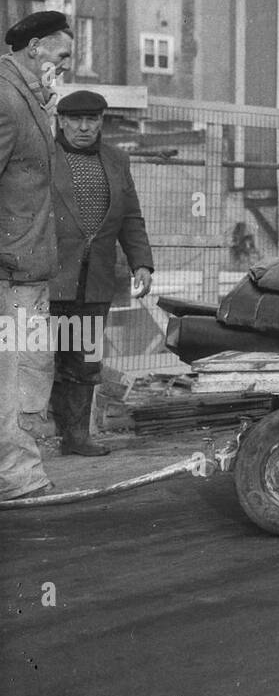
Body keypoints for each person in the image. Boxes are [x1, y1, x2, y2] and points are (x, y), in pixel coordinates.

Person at [48, 91, 154, 456]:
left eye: (91, 120)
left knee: (85, 359)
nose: (83, 127)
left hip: (96, 282)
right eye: (75, 120)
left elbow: (130, 217)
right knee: (38, 356)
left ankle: (75, 438)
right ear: (60, 121)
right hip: (46, 280)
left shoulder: (116, 160)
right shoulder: (42, 156)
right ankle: (28, 441)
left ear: (101, 122)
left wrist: (141, 263)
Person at [0, 10, 74, 500]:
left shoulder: (28, 97)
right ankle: (18, 477)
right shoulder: (5, 99)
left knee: (28, 371)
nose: (66, 64)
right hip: (10, 268)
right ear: (35, 49)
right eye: (62, 54)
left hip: (26, 266)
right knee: (12, 375)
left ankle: (19, 473)